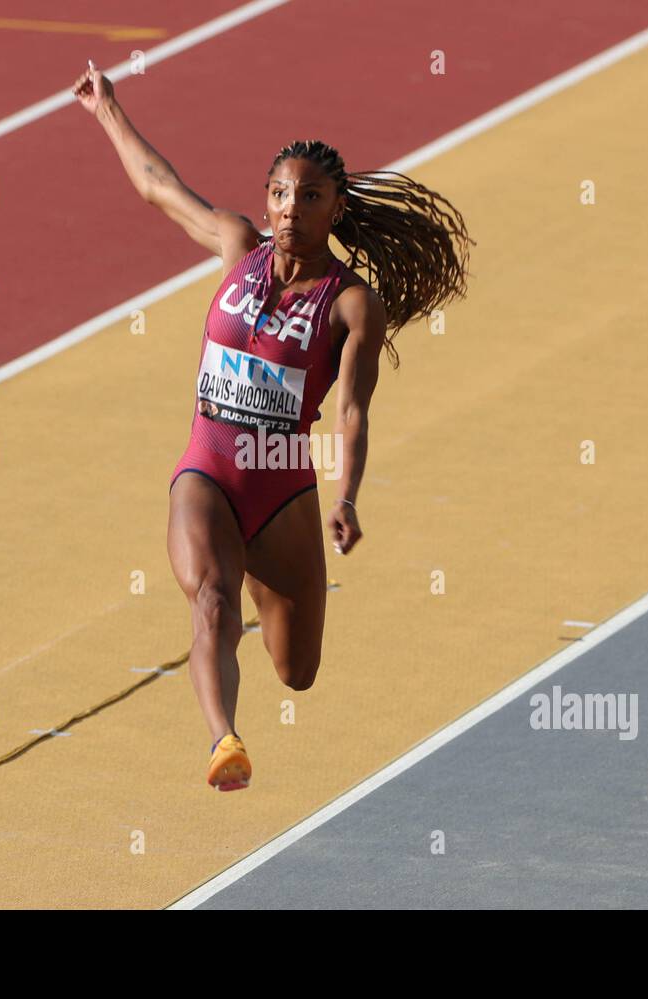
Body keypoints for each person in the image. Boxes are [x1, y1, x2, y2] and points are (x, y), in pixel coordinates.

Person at [73, 59, 472, 790]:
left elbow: (351, 408)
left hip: (283, 494)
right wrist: (107, 109)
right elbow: (159, 186)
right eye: (280, 193)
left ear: (338, 206)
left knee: (297, 671)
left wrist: (347, 497)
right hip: (208, 473)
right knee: (213, 605)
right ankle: (225, 741)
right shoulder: (236, 247)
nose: (289, 207)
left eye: (308, 196)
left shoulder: (351, 303)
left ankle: (256, 575)